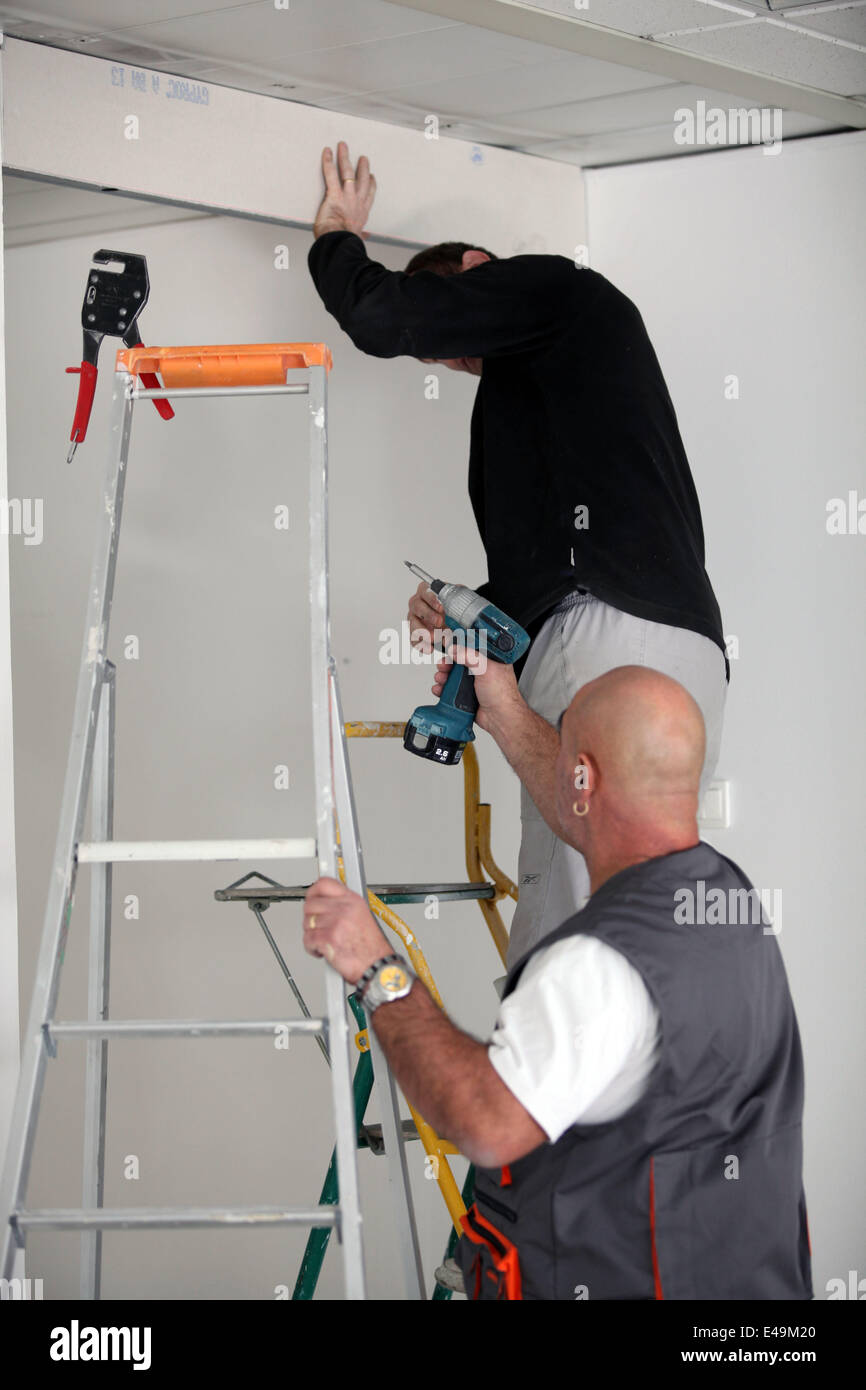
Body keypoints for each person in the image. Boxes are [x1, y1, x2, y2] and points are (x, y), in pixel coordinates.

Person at [308, 142, 730, 968]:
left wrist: (335, 239)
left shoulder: (554, 293)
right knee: (618, 906)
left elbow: (382, 318)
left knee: (586, 929)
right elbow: (561, 540)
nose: (458, 361)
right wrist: (477, 606)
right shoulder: (561, 371)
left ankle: (553, 1093)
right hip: (647, 635)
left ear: (473, 269)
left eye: (456, 342)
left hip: (617, 633)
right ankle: (620, 1091)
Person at [302, 659, 811, 1301]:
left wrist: (377, 968)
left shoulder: (595, 961)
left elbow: (484, 1123)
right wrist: (508, 716)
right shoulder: (728, 899)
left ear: (583, 777)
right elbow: (591, 808)